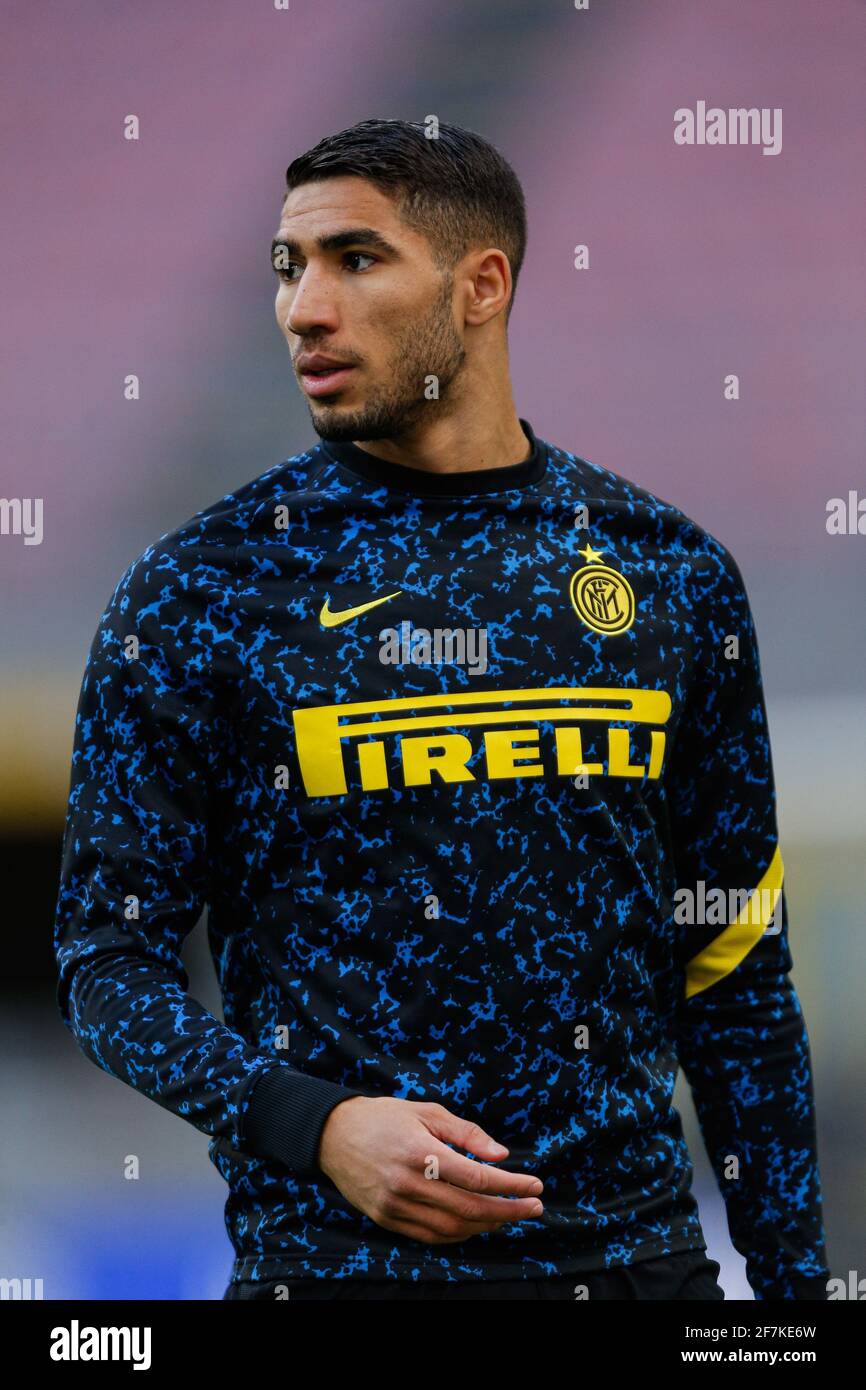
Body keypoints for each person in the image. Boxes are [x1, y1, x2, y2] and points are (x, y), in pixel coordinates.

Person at [53, 118, 830, 1301]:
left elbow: (730, 969)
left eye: (354, 259)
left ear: (480, 286)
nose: (303, 308)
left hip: (639, 1275)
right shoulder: (201, 589)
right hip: (336, 1278)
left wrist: (789, 1298)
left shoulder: (667, 571)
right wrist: (313, 1125)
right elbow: (107, 959)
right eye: (286, 267)